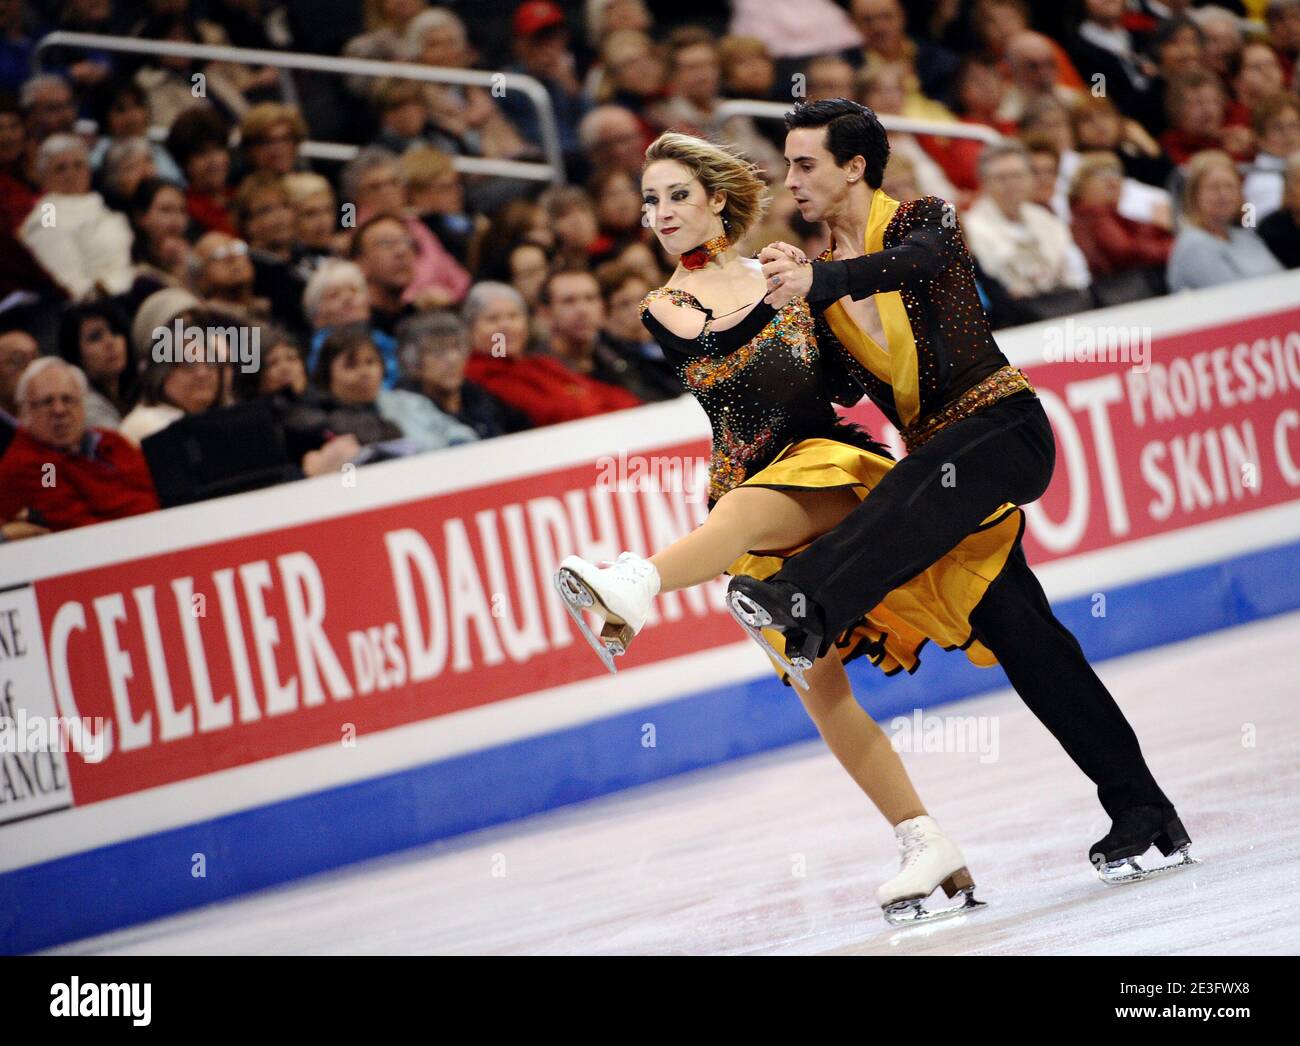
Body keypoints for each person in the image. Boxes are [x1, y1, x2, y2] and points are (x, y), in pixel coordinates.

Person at [554, 131, 1034, 925]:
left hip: (829, 469)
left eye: (678, 195)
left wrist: (817, 291)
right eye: (650, 201)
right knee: (822, 685)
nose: (662, 211)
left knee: (757, 516)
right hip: (747, 484)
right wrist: (792, 291)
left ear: (716, 201)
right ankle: (925, 842)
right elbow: (738, 359)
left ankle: (636, 584)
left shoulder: (789, 272)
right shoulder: (663, 304)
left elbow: (855, 368)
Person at [741, 99, 1194, 881]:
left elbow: (910, 266)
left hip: (1003, 432)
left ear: (855, 166)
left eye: (805, 163)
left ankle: (808, 601)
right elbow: (831, 388)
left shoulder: (925, 218)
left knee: (913, 480)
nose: (792, 180)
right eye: (787, 164)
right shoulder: (818, 276)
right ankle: (1144, 809)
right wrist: (763, 323)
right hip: (944, 480)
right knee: (1031, 643)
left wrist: (819, 280)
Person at [0, 357, 159, 536]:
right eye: (47, 402)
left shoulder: (110, 441)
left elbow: (156, 491)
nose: (59, 410)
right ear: (24, 412)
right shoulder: (38, 466)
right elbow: (75, 530)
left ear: (83, 406)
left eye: (68, 399)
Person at [1167, 149, 1284, 291]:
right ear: (1194, 195)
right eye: (1214, 188)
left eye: (1230, 186)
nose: (1223, 194)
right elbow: (1232, 296)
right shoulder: (1193, 244)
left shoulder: (1246, 236)